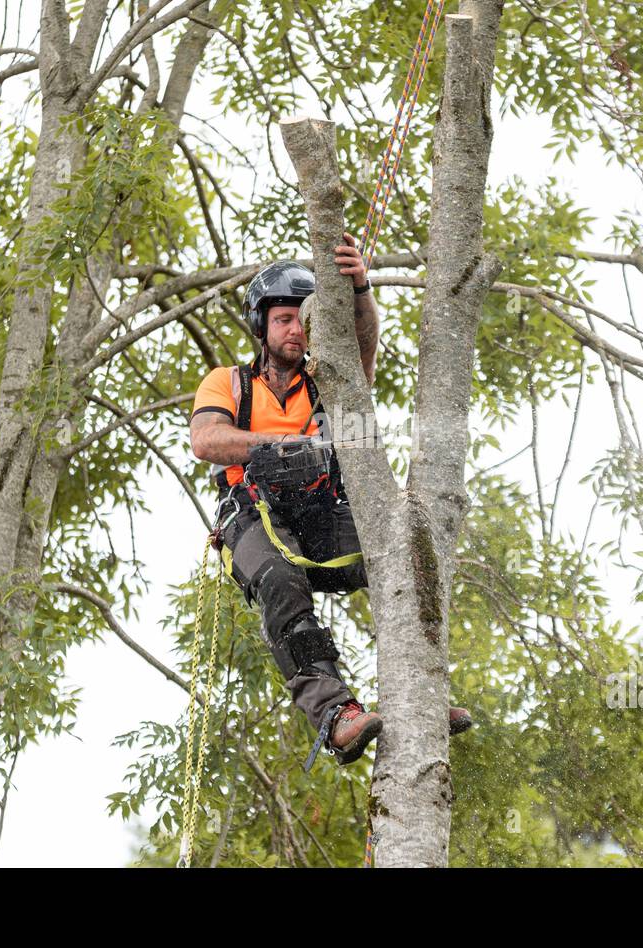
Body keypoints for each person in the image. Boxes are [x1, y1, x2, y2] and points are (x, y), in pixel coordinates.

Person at [189, 233, 472, 768]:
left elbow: (364, 345)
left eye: (304, 318)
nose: (296, 329)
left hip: (322, 514)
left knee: (407, 557)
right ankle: (336, 715)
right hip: (253, 516)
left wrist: (360, 287)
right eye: (283, 319)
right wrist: (280, 445)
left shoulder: (331, 384)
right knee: (281, 583)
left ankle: (422, 698)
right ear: (261, 326)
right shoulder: (229, 382)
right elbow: (206, 441)